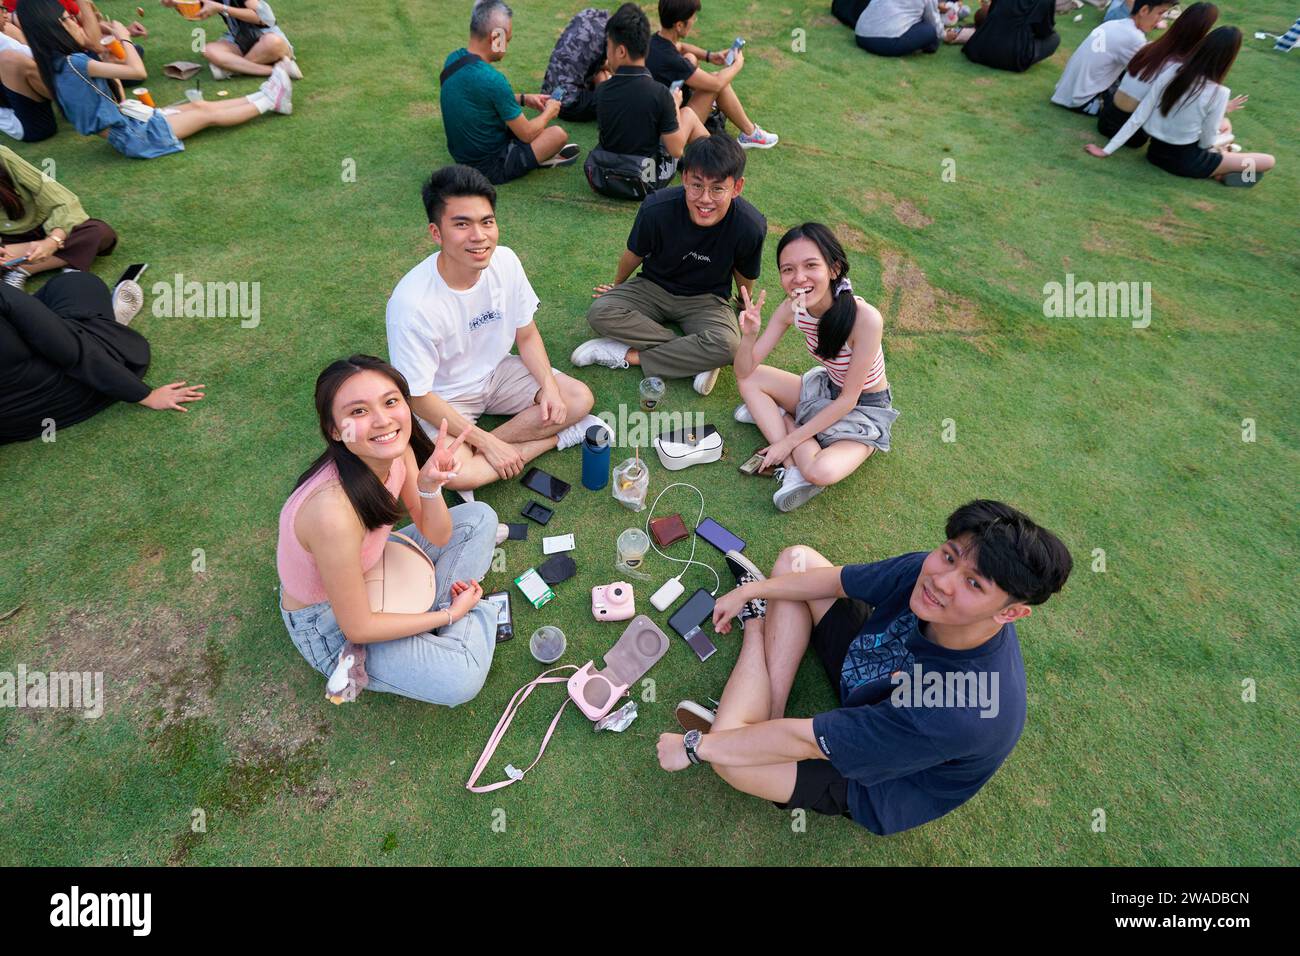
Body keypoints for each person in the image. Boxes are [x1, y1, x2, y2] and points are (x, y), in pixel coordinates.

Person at [658, 500, 1073, 837]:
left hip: (876, 782)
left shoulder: (960, 710)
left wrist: (696, 747)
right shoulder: (930, 575)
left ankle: (754, 627)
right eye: (949, 556)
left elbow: (810, 742)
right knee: (796, 562)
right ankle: (766, 707)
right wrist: (755, 588)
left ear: (1011, 613)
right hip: (868, 675)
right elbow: (836, 581)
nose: (942, 581)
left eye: (974, 584)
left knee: (731, 761)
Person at [276, 355, 502, 707]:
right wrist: (451, 615)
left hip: (375, 563)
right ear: (335, 430)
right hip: (330, 625)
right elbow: (358, 628)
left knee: (480, 519)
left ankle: (426, 621)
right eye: (359, 411)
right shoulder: (331, 514)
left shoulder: (397, 451)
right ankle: (463, 615)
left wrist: (428, 488)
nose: (383, 420)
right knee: (462, 676)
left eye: (391, 401)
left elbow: (438, 534)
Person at [385, 165, 603, 496]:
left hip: (498, 375)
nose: (479, 236)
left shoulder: (506, 261)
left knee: (577, 398)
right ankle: (557, 438)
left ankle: (483, 450)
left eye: (487, 222)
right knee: (457, 475)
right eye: (462, 224)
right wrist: (485, 441)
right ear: (436, 233)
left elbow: (526, 334)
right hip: (444, 397)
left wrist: (549, 387)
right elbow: (418, 396)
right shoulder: (412, 304)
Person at [574, 134, 766, 396]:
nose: (705, 199)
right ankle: (697, 358)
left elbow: (744, 272)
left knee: (728, 345)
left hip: (707, 299)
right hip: (651, 287)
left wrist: (745, 305)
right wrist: (617, 286)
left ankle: (626, 355)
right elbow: (635, 252)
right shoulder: (657, 207)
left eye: (718, 188)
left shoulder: (750, 224)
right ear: (685, 178)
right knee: (600, 311)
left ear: (737, 187)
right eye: (697, 185)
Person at [732, 223, 899, 513]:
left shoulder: (866, 319)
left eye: (811, 265)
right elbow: (744, 371)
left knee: (820, 472)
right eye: (788, 270)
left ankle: (785, 420)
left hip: (862, 407)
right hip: (826, 388)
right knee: (750, 382)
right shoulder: (792, 309)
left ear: (834, 269)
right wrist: (748, 337)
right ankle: (791, 467)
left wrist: (788, 441)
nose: (799, 278)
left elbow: (849, 400)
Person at [20, 0, 291, 160]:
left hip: (128, 126)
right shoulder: (75, 62)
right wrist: (123, 36)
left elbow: (102, 91)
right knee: (205, 113)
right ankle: (269, 99)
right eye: (68, 20)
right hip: (134, 135)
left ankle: (266, 94)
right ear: (54, 28)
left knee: (200, 107)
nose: (75, 23)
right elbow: (137, 72)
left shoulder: (56, 64)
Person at [1, 271, 204, 444]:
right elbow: (72, 351)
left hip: (10, 426)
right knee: (76, 283)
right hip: (65, 392)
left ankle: (95, 323)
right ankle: (109, 324)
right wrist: (145, 395)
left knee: (44, 304)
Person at [1085, 27, 1276, 186]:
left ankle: (1225, 166)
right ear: (1228, 59)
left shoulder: (1172, 71)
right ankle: (1227, 171)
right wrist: (1221, 141)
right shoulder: (1219, 93)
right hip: (1186, 161)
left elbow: (1139, 116)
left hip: (1155, 154)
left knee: (1225, 123)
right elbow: (1205, 144)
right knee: (1267, 161)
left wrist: (1107, 150)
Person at [439, 1, 579, 186]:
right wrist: (549, 112)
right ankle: (535, 159)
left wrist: (523, 98)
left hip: (460, 155)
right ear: (495, 38)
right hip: (489, 167)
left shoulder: (453, 59)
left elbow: (478, 98)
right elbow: (527, 135)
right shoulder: (493, 79)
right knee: (558, 135)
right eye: (508, 40)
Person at [590, 2, 708, 194]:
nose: (607, 54)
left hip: (607, 177)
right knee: (688, 114)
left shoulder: (602, 91)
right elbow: (676, 149)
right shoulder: (660, 93)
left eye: (608, 47)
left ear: (621, 51)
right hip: (646, 179)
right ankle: (714, 166)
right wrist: (675, 105)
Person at [646, 0, 778, 149]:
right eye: (693, 18)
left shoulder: (653, 41)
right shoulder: (673, 61)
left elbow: (680, 47)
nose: (694, 21)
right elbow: (717, 83)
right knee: (716, 84)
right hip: (668, 133)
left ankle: (745, 129)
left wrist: (710, 56)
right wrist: (738, 64)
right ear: (679, 25)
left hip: (654, 118)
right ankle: (750, 133)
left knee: (691, 58)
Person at [1096, 1, 1218, 142]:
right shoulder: (1178, 66)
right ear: (1203, 31)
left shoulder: (1150, 46)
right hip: (1131, 134)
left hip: (1106, 117)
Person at [0, 144, 116, 290]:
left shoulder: (2, 155)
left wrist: (53, 241)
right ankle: (71, 259)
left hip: (47, 226)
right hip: (7, 242)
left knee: (98, 232)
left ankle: (22, 269)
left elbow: (62, 200)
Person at [1050, 0, 1173, 114]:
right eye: (1160, 13)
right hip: (1081, 101)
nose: (1160, 19)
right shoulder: (1134, 37)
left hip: (1063, 91)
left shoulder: (1114, 24)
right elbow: (1147, 74)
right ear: (1144, 10)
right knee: (1141, 95)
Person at [159, 0, 301, 80]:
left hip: (266, 36)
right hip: (237, 38)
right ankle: (278, 71)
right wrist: (176, 3)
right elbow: (195, 13)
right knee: (208, 50)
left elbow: (264, 18)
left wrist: (222, 8)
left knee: (273, 43)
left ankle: (231, 68)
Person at [539, 5, 609, 122]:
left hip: (549, 90)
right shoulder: (606, 39)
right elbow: (613, 68)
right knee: (611, 98)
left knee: (601, 73)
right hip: (566, 104)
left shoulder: (589, 14)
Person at [948, 0, 1060, 72]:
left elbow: (991, 14)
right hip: (1012, 56)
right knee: (1054, 38)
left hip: (980, 47)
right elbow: (1043, 31)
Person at [0, 7, 56, 141]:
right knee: (10, 59)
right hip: (27, 125)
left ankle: (71, 100)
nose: (5, 14)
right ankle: (72, 103)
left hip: (16, 100)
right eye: (1, 9)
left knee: (9, 34)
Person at [853, 0, 944, 57]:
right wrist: (945, 35)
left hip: (860, 33)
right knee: (930, 31)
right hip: (883, 42)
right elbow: (933, 22)